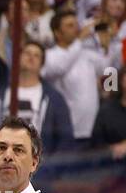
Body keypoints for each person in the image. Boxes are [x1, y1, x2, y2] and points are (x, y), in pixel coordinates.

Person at [43, 9, 114, 146]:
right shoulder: (50, 55)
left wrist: (107, 48)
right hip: (66, 132)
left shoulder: (86, 54)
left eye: (76, 25)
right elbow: (59, 68)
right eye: (70, 26)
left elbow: (110, 72)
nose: (76, 29)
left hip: (93, 131)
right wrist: (80, 39)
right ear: (57, 33)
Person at [0, 41, 75, 157]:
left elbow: (66, 140)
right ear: (18, 58)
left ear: (42, 64)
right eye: (27, 53)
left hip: (40, 170)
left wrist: (50, 169)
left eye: (36, 55)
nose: (31, 57)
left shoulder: (54, 100)